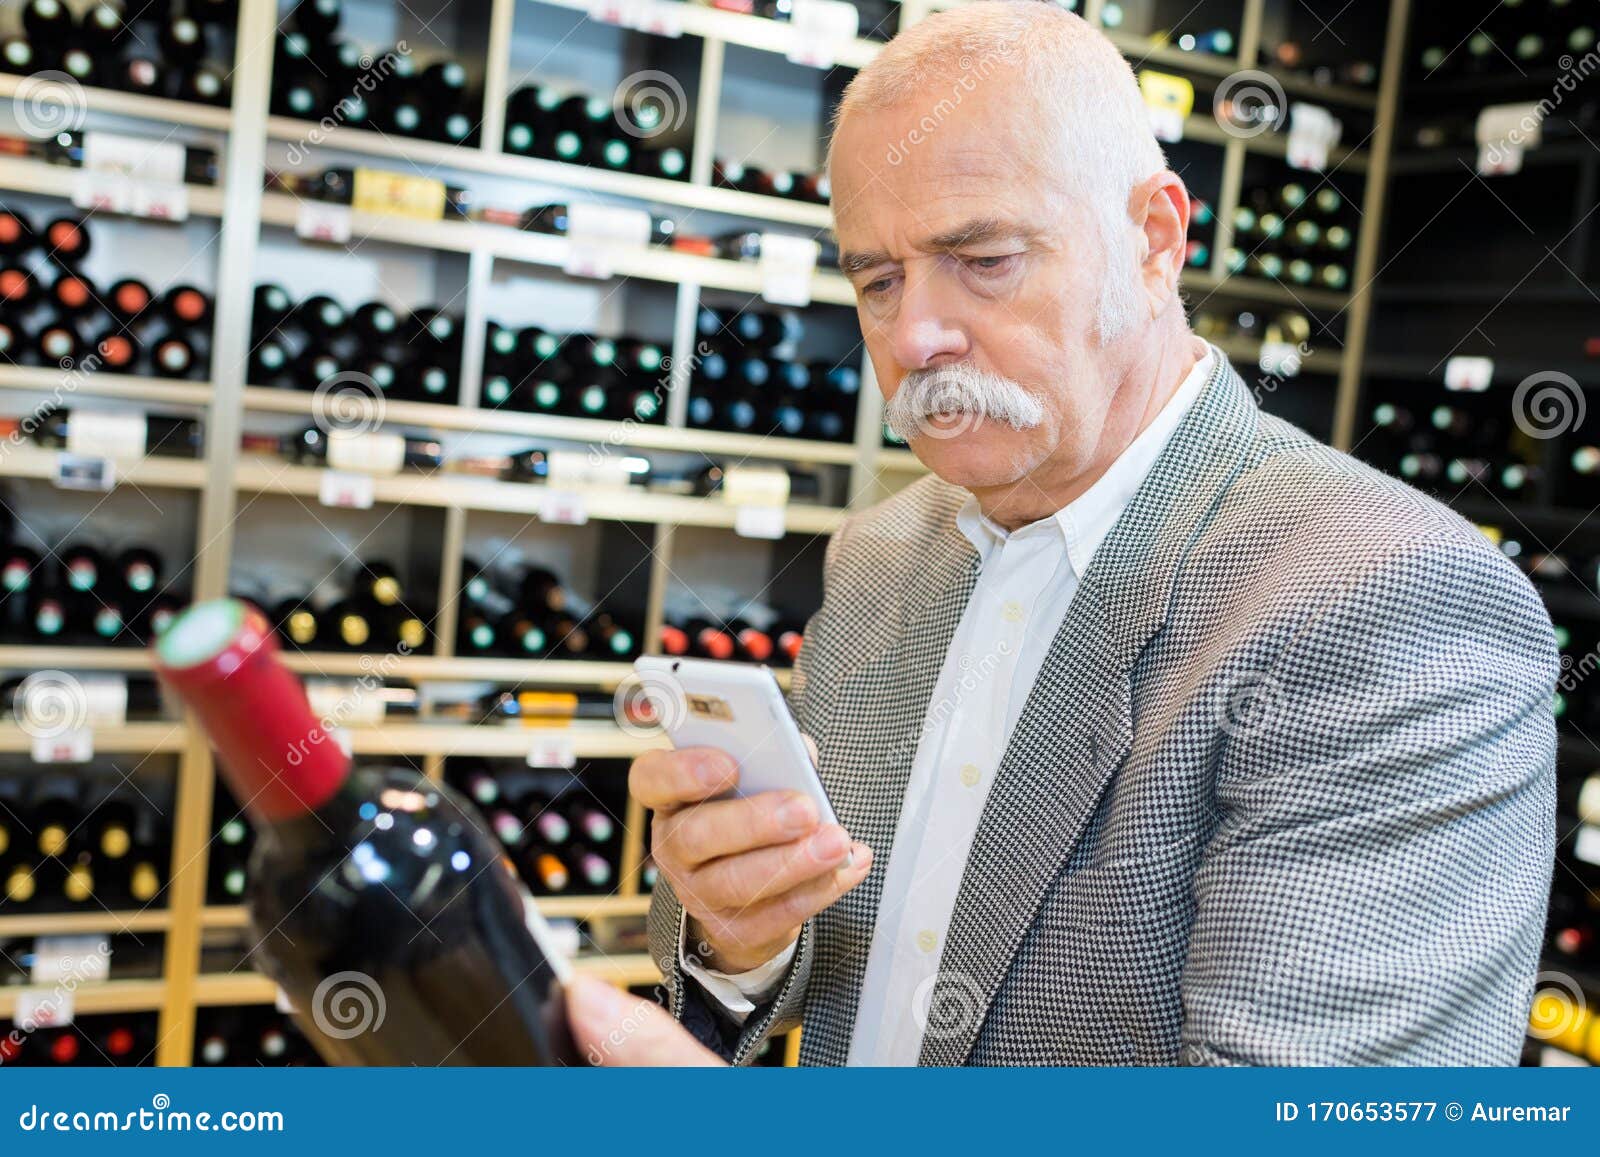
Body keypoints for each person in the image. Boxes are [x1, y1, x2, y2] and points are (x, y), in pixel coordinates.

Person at [625, 0, 1559, 1066]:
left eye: (984, 258)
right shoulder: (879, 555)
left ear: (1155, 239)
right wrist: (739, 936)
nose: (915, 333)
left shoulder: (1387, 598)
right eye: (877, 280)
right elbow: (844, 960)